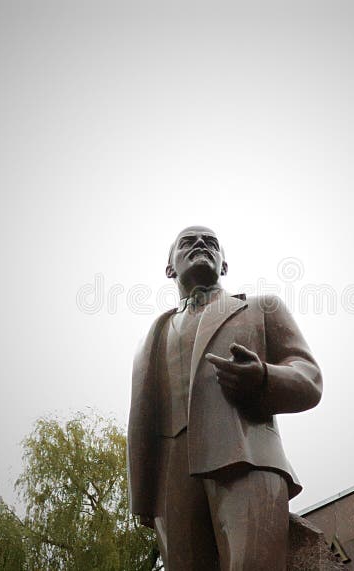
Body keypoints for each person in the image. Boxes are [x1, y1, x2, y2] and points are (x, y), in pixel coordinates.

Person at [127, 226, 322, 570]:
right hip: (171, 482)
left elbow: (309, 378)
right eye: (189, 242)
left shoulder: (260, 308)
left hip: (246, 460)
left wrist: (263, 376)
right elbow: (142, 418)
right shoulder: (152, 337)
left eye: (211, 243)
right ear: (169, 268)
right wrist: (144, 497)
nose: (202, 245)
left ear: (224, 265)